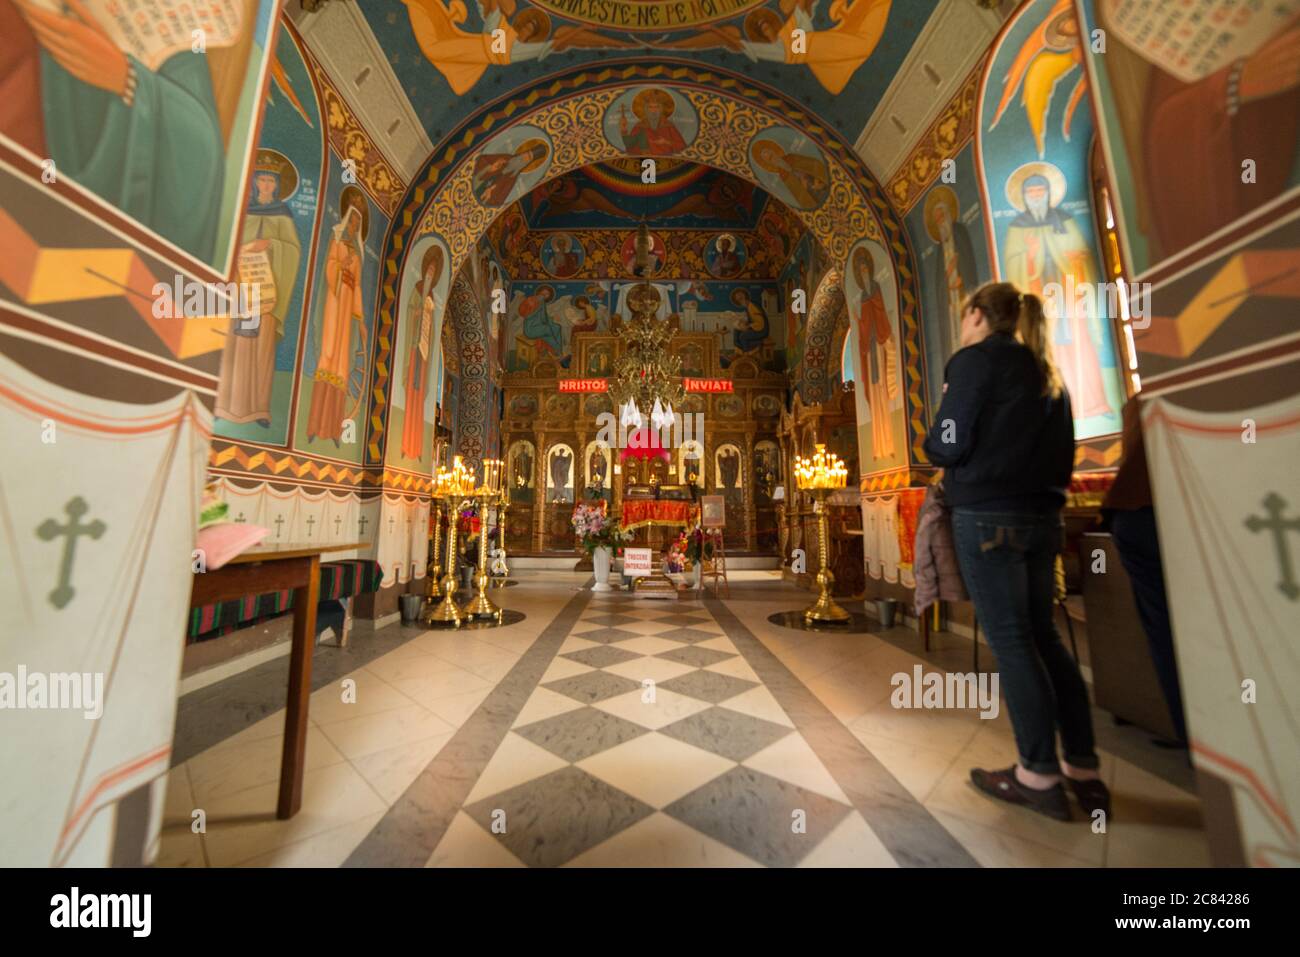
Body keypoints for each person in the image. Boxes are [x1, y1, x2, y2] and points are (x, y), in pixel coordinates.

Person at [923, 281, 1107, 822]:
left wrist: (935, 443)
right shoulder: (1046, 368)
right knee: (1044, 638)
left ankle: (1037, 774)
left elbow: (948, 441)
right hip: (1043, 517)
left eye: (964, 316)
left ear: (978, 315)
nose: (962, 325)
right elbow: (1064, 454)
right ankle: (1083, 769)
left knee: (1011, 643)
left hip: (988, 516)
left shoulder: (975, 362)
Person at [1102, 397, 1188, 746]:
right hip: (1150, 513)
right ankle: (1196, 734)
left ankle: (1190, 731)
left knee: (1166, 627)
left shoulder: (1142, 402)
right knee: (1170, 626)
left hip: (1137, 512)